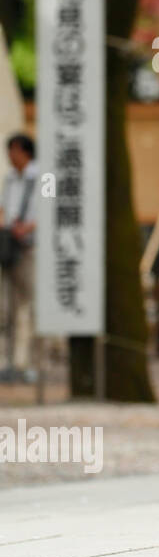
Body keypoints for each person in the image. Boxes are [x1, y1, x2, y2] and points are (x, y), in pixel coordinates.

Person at [0, 133, 37, 384]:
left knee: (31, 305)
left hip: (32, 248)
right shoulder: (10, 178)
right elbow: (3, 208)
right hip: (10, 247)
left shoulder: (44, 176)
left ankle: (28, 362)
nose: (10, 156)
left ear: (24, 151)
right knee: (9, 307)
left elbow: (51, 208)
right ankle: (10, 361)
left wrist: (29, 227)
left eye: (13, 150)